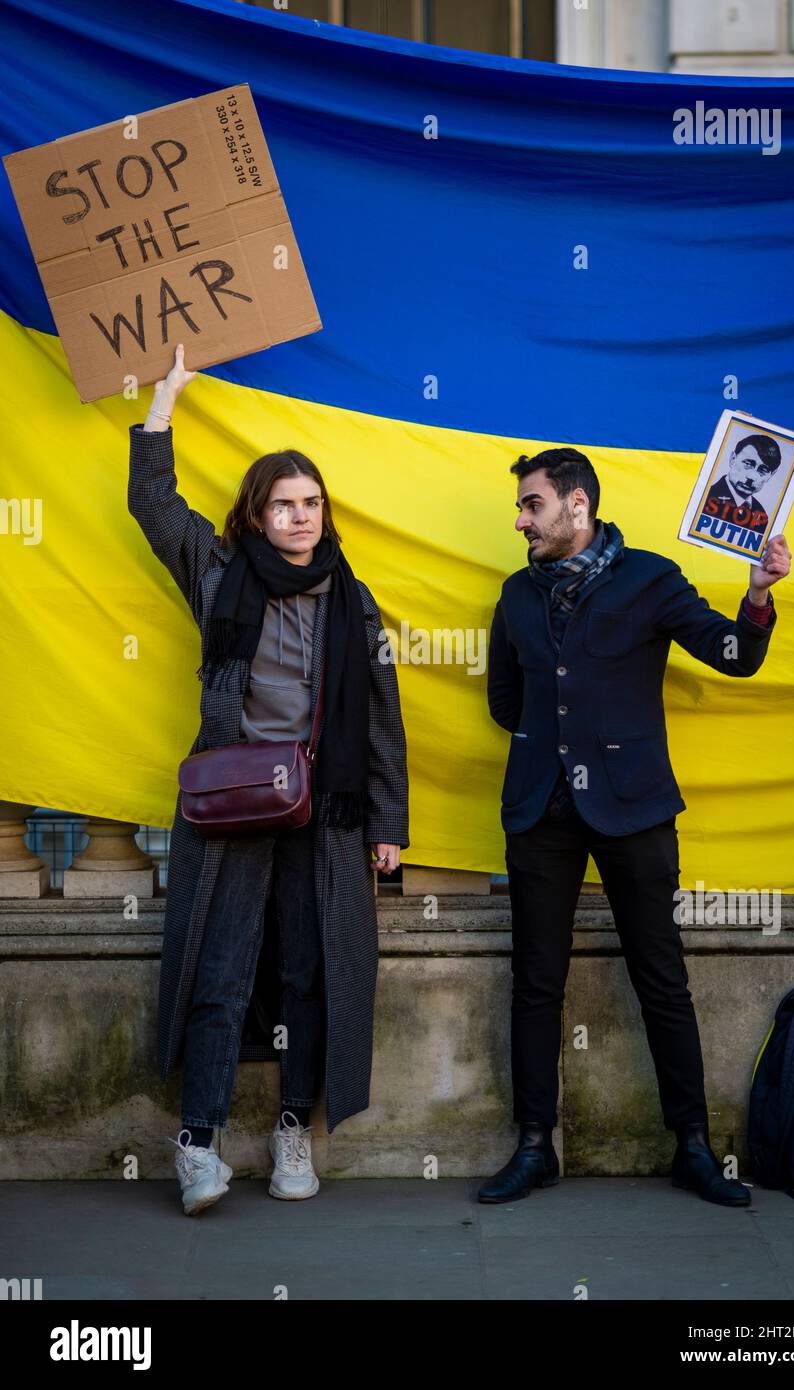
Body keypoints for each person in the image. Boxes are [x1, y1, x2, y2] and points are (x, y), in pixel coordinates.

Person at [128, 344, 409, 1216]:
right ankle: (198, 1143)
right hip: (234, 806)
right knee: (221, 969)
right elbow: (151, 503)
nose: (300, 517)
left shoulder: (353, 600)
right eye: (283, 505)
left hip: (325, 817)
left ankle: (294, 1131)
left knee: (309, 973)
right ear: (254, 516)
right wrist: (164, 403)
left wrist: (387, 823)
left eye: (311, 503)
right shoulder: (218, 575)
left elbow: (381, 719)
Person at [482, 446, 790, 1207]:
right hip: (540, 811)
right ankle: (533, 1146)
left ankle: (690, 1145)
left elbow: (734, 657)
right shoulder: (515, 594)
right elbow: (504, 700)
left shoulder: (650, 578)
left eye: (531, 505)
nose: (520, 519)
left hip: (634, 807)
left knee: (662, 979)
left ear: (576, 505)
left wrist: (756, 598)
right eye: (521, 507)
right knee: (534, 983)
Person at [702, 432, 783, 533]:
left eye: (763, 470)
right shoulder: (705, 497)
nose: (751, 476)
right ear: (732, 459)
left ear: (771, 475)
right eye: (748, 464)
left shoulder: (761, 516)